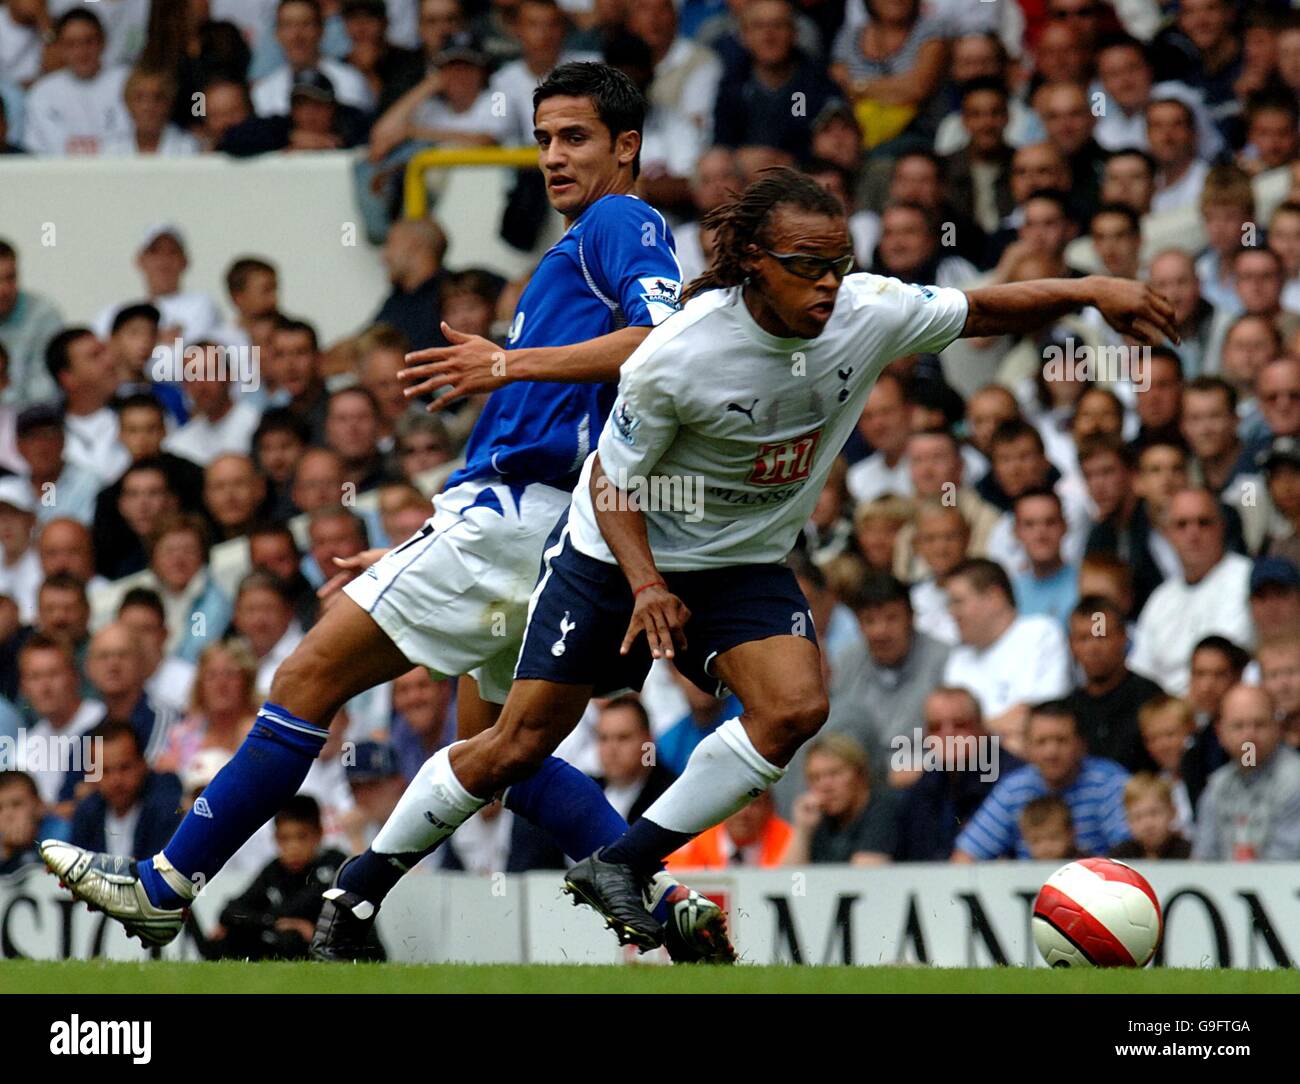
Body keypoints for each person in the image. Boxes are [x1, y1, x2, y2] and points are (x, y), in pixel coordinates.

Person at [298, 165, 1177, 951]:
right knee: (516, 745)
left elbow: (985, 307)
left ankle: (623, 861)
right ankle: (359, 889)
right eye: (806, 265)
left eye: (838, 261)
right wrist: (644, 587)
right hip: (613, 553)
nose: (828, 283)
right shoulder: (681, 351)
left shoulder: (867, 312)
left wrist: (1096, 287)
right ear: (753, 258)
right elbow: (610, 484)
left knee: (796, 707)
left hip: (740, 561)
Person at [42, 61, 726, 963]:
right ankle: (661, 894)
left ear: (626, 147)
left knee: (302, 683)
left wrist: (504, 366)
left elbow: (656, 342)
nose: (554, 157)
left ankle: (166, 883)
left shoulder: (619, 220)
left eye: (576, 138)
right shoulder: (581, 245)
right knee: (500, 755)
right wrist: (414, 544)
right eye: (543, 139)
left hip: (510, 526)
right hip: (540, 537)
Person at [953, 701, 1131, 861]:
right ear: (1027, 748)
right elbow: (966, 856)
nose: (1051, 752)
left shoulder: (1109, 782)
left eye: (1061, 741)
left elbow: (1133, 851)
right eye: (1041, 742)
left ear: (1081, 744)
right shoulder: (1014, 788)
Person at [207, 795, 350, 961]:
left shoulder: (336, 864)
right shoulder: (274, 869)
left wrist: (258, 920)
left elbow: (302, 905)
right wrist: (272, 922)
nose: (293, 847)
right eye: (284, 839)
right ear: (275, 838)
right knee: (222, 940)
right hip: (282, 941)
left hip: (342, 952)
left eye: (301, 837)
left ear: (319, 834)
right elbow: (230, 912)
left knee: (291, 938)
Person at [1192, 684, 1300, 861]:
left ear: (1277, 727)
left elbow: (1286, 863)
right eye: (1238, 726)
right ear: (1220, 732)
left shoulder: (1295, 779)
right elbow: (1203, 858)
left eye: (1259, 724)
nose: (1249, 735)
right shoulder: (1218, 784)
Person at [69, 722, 183, 859]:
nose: (116, 780)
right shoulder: (87, 813)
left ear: (143, 765)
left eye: (125, 768)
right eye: (105, 771)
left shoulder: (166, 804)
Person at [592, 696, 676, 824]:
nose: (611, 749)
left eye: (623, 738)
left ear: (648, 742)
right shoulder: (588, 791)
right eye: (604, 738)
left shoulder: (670, 796)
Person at [666, 790, 792, 868]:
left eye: (755, 804)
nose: (744, 813)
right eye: (737, 803)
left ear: (770, 809)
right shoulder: (693, 841)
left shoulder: (789, 842)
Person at [1110, 773, 1192, 860]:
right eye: (1138, 817)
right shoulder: (1120, 856)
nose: (1147, 824)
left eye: (1154, 813)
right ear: (1127, 821)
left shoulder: (1189, 853)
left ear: (1173, 812)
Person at [1018, 796, 1078, 861]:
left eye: (1053, 838)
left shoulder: (1085, 867)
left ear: (1071, 833)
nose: (1045, 848)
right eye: (1036, 840)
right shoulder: (1026, 868)